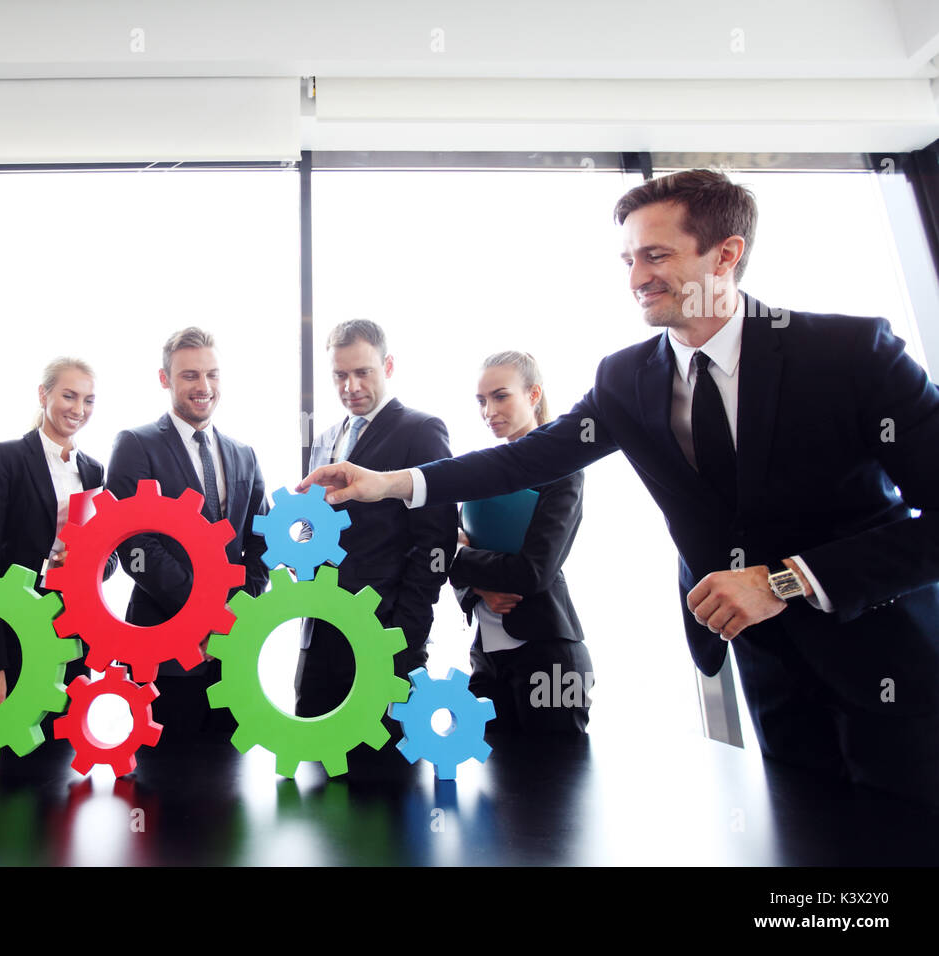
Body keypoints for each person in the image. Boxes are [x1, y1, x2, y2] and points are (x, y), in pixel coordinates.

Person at [301, 169, 939, 807]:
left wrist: (784, 580)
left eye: (657, 256)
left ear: (727, 254)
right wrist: (388, 482)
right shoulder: (627, 378)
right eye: (629, 259)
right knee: (809, 853)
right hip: (765, 661)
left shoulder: (852, 353)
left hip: (884, 656)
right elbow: (522, 462)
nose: (636, 278)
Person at [104, 327, 269, 738]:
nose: (204, 386)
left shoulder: (243, 453)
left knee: (226, 780)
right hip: (162, 647)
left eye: (212, 374)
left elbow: (260, 540)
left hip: (231, 649)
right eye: (190, 375)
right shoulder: (135, 445)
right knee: (162, 778)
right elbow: (134, 545)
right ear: (165, 379)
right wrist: (205, 613)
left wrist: (234, 613)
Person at [296, 320, 457, 720]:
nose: (350, 386)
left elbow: (436, 542)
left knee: (383, 770)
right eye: (340, 375)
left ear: (387, 367)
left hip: (383, 632)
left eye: (362, 372)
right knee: (317, 765)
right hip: (319, 633)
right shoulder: (325, 439)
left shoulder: (421, 431)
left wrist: (403, 637)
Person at [0, 357, 118, 733]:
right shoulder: (7, 458)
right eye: (69, 396)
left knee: (58, 759)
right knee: (0, 751)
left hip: (69, 634)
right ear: (43, 394)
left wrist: (87, 559)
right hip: (11, 630)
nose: (79, 409)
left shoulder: (94, 471)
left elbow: (109, 554)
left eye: (89, 400)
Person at [450, 351, 592, 734]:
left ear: (533, 395)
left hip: (549, 658)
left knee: (553, 784)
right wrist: (477, 587)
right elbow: (448, 556)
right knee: (497, 786)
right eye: (481, 401)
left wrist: (460, 555)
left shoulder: (563, 471)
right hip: (487, 657)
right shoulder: (482, 469)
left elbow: (533, 572)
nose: (488, 410)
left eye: (500, 396)